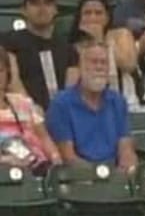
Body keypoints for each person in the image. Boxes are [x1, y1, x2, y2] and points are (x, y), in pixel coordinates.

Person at [44, 42, 137, 170]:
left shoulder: (117, 101)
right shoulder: (61, 104)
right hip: (80, 177)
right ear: (80, 67)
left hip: (115, 175)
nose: (99, 67)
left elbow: (125, 147)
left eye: (103, 63)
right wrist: (100, 176)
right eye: (93, 62)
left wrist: (126, 167)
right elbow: (68, 157)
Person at [1, 0, 75, 110]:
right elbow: (12, 81)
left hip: (62, 117)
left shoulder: (67, 47)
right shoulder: (8, 41)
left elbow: (72, 87)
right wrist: (32, 110)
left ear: (55, 9)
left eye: (47, 3)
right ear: (23, 10)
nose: (42, 8)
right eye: (35, 3)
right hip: (22, 115)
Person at [67, 0, 142, 107]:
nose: (93, 17)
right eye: (87, 13)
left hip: (128, 101)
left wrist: (99, 39)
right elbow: (74, 83)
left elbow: (129, 65)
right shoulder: (74, 47)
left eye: (98, 13)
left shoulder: (121, 35)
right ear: (80, 19)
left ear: (107, 18)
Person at [0, 46, 62, 174]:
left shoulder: (23, 103)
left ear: (8, 73)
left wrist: (56, 161)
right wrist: (7, 161)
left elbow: (44, 138)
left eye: (0, 70)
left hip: (38, 171)